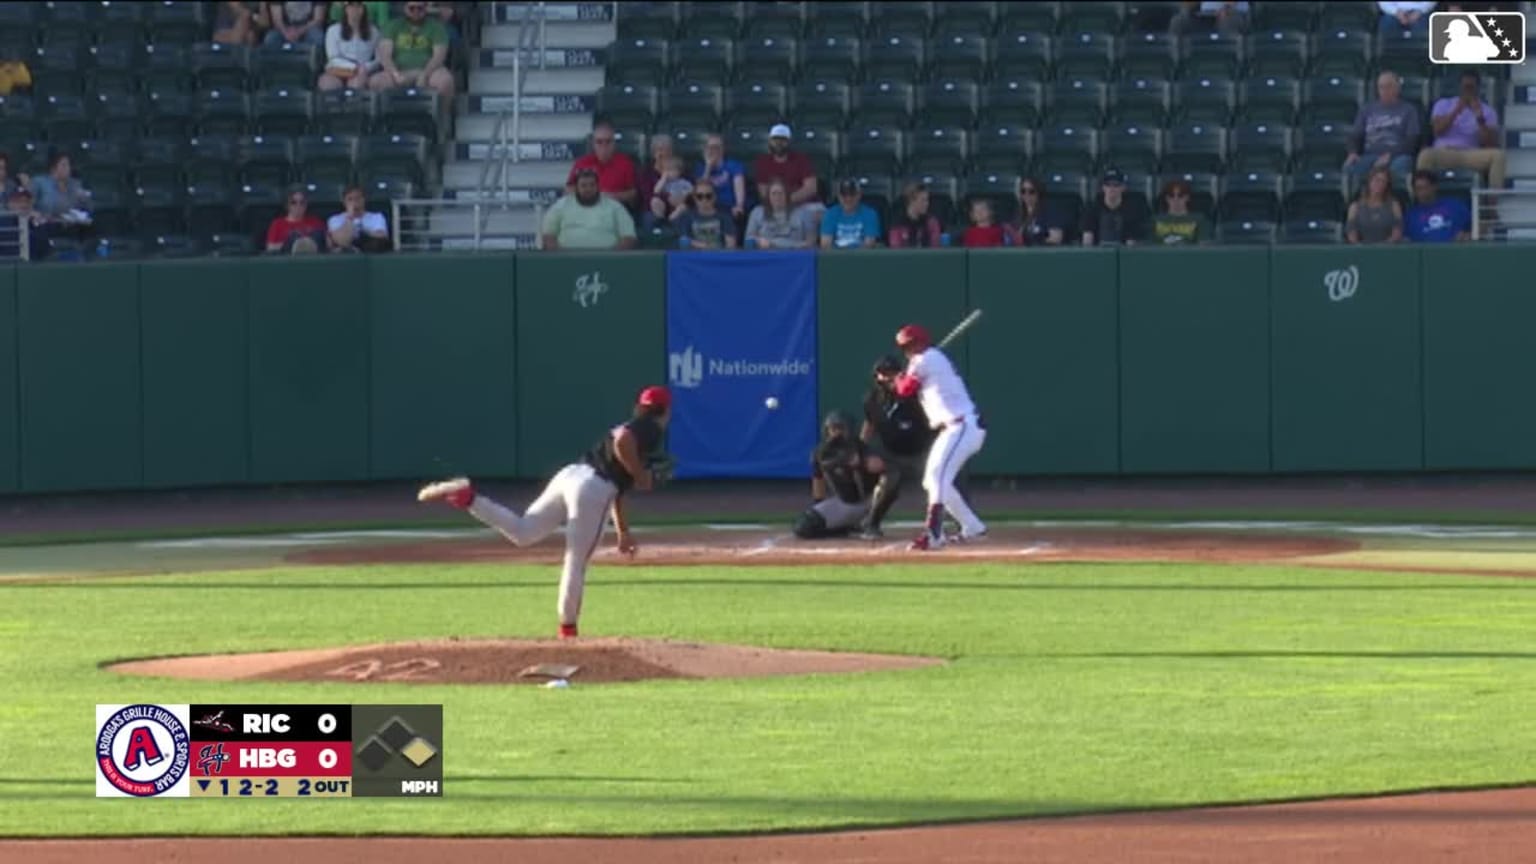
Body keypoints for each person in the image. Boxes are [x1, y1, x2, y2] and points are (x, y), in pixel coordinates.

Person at [416, 385, 675, 639]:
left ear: (639, 406)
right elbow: (624, 442)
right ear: (665, 411)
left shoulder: (632, 423)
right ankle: (568, 631)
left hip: (572, 475)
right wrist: (640, 474)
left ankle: (469, 498)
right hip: (593, 489)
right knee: (575, 563)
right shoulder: (650, 427)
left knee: (523, 531)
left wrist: (623, 531)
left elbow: (619, 484)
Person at [891, 324, 988, 550]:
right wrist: (899, 379)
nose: (907, 350)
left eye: (910, 344)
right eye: (904, 346)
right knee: (931, 480)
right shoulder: (928, 359)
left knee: (937, 477)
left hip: (962, 425)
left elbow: (905, 390)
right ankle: (972, 526)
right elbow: (907, 386)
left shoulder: (925, 358)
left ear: (920, 342)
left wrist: (896, 379)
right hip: (956, 428)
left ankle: (933, 534)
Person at [856, 355, 935, 540]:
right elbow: (869, 426)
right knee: (890, 480)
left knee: (941, 483)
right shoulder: (872, 399)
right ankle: (871, 523)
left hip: (922, 450)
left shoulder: (915, 393)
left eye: (893, 373)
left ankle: (962, 524)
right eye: (885, 374)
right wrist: (862, 451)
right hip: (891, 452)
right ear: (877, 377)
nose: (889, 377)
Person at [791, 413, 885, 540]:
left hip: (867, 502)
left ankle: (868, 523)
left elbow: (879, 465)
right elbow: (818, 479)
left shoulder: (858, 446)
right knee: (804, 526)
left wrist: (860, 462)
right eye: (832, 429)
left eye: (840, 428)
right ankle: (844, 529)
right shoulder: (822, 452)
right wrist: (819, 504)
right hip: (844, 502)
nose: (836, 433)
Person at [1417, 70, 1506, 191]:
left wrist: (1480, 118)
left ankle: (1492, 204)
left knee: (1498, 156)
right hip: (1445, 151)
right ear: (1459, 87)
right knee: (1425, 155)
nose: (1468, 90)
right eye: (1465, 87)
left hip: (1471, 153)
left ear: (1478, 88)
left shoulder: (1488, 111)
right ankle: (1422, 200)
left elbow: (1490, 143)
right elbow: (1437, 131)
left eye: (1471, 87)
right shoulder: (1443, 104)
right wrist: (1456, 111)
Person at [1345, 71, 1421, 183]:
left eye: (1389, 86)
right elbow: (1355, 135)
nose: (1385, 90)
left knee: (1401, 164)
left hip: (1397, 156)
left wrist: (1390, 155)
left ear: (1397, 88)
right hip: (1369, 155)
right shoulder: (1367, 109)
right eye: (1381, 87)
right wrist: (1353, 152)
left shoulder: (1409, 110)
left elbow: (1412, 140)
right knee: (1350, 167)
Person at [370, 0, 454, 101]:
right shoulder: (393, 26)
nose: (416, 12)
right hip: (400, 71)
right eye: (412, 8)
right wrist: (395, 74)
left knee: (446, 81)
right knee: (376, 81)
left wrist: (425, 75)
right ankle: (386, 115)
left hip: (429, 71)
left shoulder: (436, 27)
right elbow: (385, 55)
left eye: (420, 8)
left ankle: (443, 115)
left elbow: (439, 56)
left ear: (425, 9)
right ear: (405, 8)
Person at [542, 167, 639, 250]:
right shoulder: (561, 206)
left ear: (598, 186)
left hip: (607, 263)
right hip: (567, 261)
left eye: (592, 185)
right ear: (576, 188)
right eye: (583, 185)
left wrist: (612, 258)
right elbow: (548, 236)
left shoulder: (615, 207)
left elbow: (629, 238)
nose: (588, 189)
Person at [566, 122, 638, 210]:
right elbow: (568, 189)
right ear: (593, 144)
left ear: (614, 143)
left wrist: (613, 197)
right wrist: (590, 195)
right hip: (586, 209)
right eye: (599, 142)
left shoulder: (625, 163)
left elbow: (633, 194)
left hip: (614, 210)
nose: (604, 146)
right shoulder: (582, 163)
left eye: (608, 142)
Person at [318, 1, 379, 91]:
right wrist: (354, 67)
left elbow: (378, 59)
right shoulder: (333, 30)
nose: (354, 10)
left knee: (357, 84)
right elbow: (333, 58)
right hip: (338, 70)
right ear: (346, 9)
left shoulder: (374, 31)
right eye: (351, 7)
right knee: (327, 83)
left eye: (358, 7)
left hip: (362, 71)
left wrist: (366, 67)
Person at [1080, 169, 1147, 246]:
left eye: (1116, 185)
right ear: (1103, 187)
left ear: (1123, 187)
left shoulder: (1135, 207)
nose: (1112, 188)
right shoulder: (1092, 207)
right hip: (1099, 251)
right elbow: (1087, 238)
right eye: (1108, 184)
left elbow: (1135, 239)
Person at [1404, 170, 1472, 243]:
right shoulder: (1411, 215)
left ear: (1434, 187)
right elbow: (1405, 240)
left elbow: (1478, 226)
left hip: (1454, 251)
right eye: (1419, 189)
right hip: (1425, 253)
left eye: (1426, 187)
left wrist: (1468, 235)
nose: (1423, 192)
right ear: (1414, 191)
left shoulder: (1455, 205)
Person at [745, 178, 814, 249]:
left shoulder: (803, 214)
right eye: (773, 193)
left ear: (787, 195)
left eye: (780, 193)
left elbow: (810, 243)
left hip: (795, 256)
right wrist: (758, 241)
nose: (777, 197)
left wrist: (773, 244)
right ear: (768, 196)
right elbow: (748, 240)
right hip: (766, 256)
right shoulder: (757, 212)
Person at [697, 134, 747, 228]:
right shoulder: (701, 168)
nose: (714, 150)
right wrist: (708, 167)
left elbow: (739, 188)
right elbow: (700, 191)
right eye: (710, 147)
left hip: (728, 207)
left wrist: (739, 205)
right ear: (705, 149)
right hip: (707, 206)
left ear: (723, 149)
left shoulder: (733, 165)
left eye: (717, 147)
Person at [1345, 166, 1404, 245]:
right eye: (1376, 180)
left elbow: (1397, 231)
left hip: (1387, 250)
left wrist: (1385, 245)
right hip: (1362, 250)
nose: (1379, 184)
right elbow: (1351, 233)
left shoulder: (1394, 205)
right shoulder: (1355, 207)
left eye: (1383, 181)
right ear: (1369, 181)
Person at [674, 180, 736, 249]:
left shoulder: (725, 217)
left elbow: (730, 244)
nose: (704, 200)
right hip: (693, 257)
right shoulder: (686, 217)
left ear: (715, 197)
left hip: (718, 256)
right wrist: (703, 246)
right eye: (699, 196)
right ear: (694, 198)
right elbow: (683, 240)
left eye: (708, 196)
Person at [819, 179, 880, 249]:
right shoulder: (830, 214)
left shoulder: (870, 214)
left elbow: (869, 245)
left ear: (859, 195)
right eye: (844, 195)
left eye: (852, 194)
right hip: (836, 258)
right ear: (838, 196)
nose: (848, 198)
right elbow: (825, 245)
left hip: (861, 258)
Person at [326, 185, 390, 252]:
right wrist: (350, 217)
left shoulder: (376, 217)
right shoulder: (335, 219)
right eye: (350, 199)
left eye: (358, 198)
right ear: (344, 202)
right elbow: (342, 241)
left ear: (364, 200)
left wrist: (362, 234)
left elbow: (381, 236)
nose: (354, 202)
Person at [1006, 177, 1066, 246]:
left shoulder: (1050, 211)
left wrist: (1036, 244)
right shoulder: (1019, 213)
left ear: (1039, 193)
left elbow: (1056, 238)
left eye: (1031, 191)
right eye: (1023, 191)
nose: (1026, 194)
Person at [266, 186, 327, 252]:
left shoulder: (316, 222)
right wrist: (290, 244)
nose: (298, 206)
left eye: (302, 202)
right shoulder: (277, 224)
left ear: (306, 204)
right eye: (293, 202)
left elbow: (327, 244)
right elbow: (270, 247)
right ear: (287, 205)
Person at [1151, 179, 1211, 245]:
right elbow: (1148, 245)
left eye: (1180, 196)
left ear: (1187, 197)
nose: (1176, 199)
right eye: (1171, 196)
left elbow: (1203, 245)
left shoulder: (1200, 220)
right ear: (1166, 198)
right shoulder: (1155, 220)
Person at [886, 181, 943, 248]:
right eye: (923, 200)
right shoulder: (897, 223)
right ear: (911, 200)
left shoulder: (931, 222)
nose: (927, 204)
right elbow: (895, 248)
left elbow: (935, 246)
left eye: (927, 200)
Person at [647, 154, 694, 229]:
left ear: (679, 172)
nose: (668, 173)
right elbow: (656, 191)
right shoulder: (664, 183)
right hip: (665, 206)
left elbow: (692, 191)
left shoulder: (684, 182)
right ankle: (661, 221)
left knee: (683, 207)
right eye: (666, 170)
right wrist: (663, 179)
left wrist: (684, 195)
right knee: (654, 201)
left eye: (671, 170)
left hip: (678, 205)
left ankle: (669, 221)